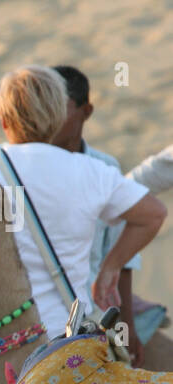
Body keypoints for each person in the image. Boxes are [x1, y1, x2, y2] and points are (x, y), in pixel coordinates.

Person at [0, 66, 166, 340]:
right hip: (66, 330)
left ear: (3, 120)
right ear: (57, 115)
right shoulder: (93, 171)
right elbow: (153, 213)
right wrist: (111, 268)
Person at [50, 65, 165, 367]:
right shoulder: (20, 167)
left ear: (86, 111)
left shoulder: (103, 167)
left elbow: (122, 256)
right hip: (41, 319)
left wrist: (126, 330)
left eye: (58, 107)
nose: (48, 117)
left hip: (94, 317)